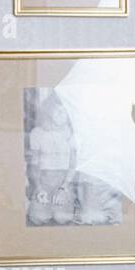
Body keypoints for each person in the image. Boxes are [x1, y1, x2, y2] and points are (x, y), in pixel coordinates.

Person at [25, 94, 78, 226]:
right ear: (49, 111)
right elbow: (33, 165)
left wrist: (64, 188)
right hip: (44, 179)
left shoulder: (73, 135)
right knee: (38, 218)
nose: (61, 114)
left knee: (62, 218)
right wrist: (39, 188)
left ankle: (63, 201)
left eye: (64, 111)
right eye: (57, 110)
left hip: (65, 181)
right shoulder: (38, 133)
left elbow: (73, 166)